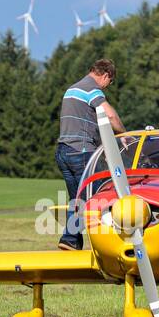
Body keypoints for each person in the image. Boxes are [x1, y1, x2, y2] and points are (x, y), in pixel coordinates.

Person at [55, 59, 123, 251]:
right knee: (99, 195)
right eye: (111, 82)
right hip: (81, 152)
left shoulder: (72, 89)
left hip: (63, 151)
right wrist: (123, 135)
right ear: (106, 75)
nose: (108, 86)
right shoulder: (92, 90)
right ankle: (96, 242)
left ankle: (71, 241)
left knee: (77, 198)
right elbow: (110, 116)